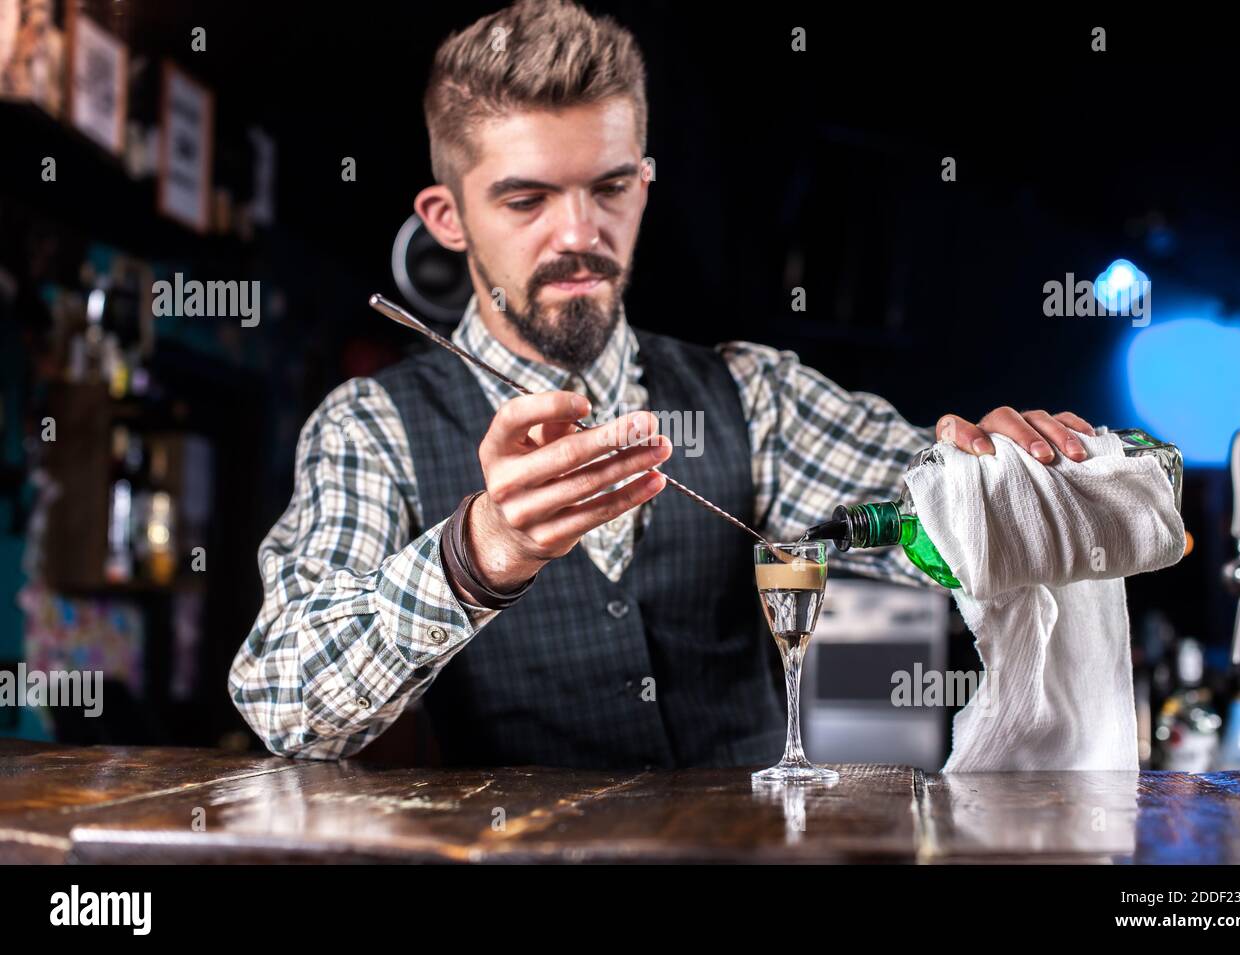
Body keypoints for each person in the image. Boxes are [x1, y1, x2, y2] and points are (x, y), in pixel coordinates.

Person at [228, 0, 1095, 768]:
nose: (579, 233)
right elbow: (286, 703)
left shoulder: (755, 395)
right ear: (448, 219)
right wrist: (477, 551)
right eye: (526, 200)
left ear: (644, 185)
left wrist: (1011, 482)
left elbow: (959, 533)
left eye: (609, 186)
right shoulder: (370, 427)